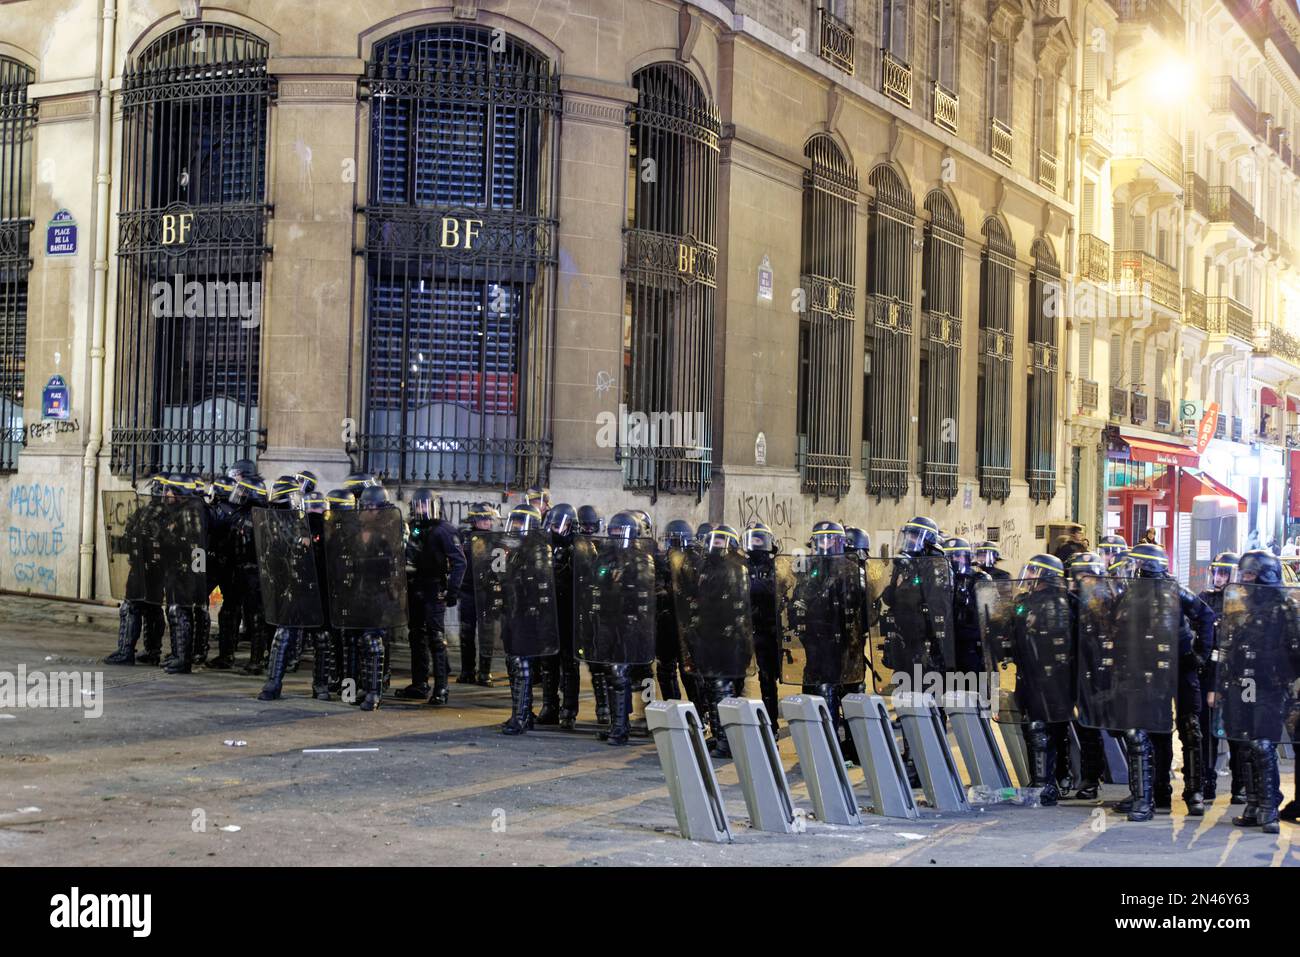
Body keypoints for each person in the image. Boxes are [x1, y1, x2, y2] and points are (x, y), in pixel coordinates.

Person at [1126, 541, 1215, 818]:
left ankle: (1194, 792)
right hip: (1151, 667)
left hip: (1181, 664)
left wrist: (1199, 655)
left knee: (1190, 727)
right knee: (1156, 727)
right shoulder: (1133, 593)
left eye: (1138, 564)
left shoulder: (1174, 590)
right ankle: (1159, 790)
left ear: (1147, 566)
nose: (1134, 569)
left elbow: (1206, 616)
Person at [1219, 550, 1300, 833]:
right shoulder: (1246, 605)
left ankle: (1269, 807)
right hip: (1247, 685)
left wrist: (1284, 680)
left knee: (1263, 744)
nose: (1244, 579)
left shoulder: (1284, 608)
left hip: (1271, 688)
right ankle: (1253, 803)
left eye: (1250, 574)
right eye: (1243, 574)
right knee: (1246, 742)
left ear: (1265, 575)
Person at [403, 488, 466, 705]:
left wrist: (452, 591)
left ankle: (441, 689)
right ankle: (419, 684)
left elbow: (460, 562)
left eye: (424, 504)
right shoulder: (412, 528)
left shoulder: (444, 530)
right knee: (416, 636)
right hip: (414, 588)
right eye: (417, 505)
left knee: (436, 639)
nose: (420, 508)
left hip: (433, 588)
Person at [1196, 552, 1247, 804]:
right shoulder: (1204, 599)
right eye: (1216, 572)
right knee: (1207, 734)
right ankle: (1208, 782)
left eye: (1224, 573)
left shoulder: (1242, 604)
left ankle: (1240, 785)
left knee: (1237, 733)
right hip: (1209, 674)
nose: (1218, 577)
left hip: (1236, 677)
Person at [104, 476, 168, 666]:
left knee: (131, 607)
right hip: (157, 570)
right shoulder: (168, 515)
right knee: (153, 608)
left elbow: (132, 536)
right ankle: (152, 651)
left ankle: (126, 650)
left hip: (143, 568)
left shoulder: (145, 514)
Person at [501, 505, 546, 734]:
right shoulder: (515, 549)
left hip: (528, 615)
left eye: (521, 522)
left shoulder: (538, 549)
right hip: (513, 611)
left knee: (521, 663)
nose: (516, 527)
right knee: (512, 662)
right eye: (515, 521)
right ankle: (521, 714)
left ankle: (521, 717)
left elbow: (538, 582)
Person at [538, 503, 580, 729]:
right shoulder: (544, 546)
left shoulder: (579, 547)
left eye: (558, 525)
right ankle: (549, 706)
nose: (554, 529)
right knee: (548, 661)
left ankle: (569, 710)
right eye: (552, 525)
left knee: (569, 662)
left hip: (568, 613)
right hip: (549, 610)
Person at [743, 520, 782, 728]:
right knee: (737, 675)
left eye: (760, 539)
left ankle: (771, 723)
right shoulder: (742, 565)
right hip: (745, 628)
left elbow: (774, 590)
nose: (756, 544)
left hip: (767, 630)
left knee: (767, 679)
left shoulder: (775, 566)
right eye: (753, 539)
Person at [456, 502, 499, 685]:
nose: (487, 522)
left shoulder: (497, 540)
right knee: (466, 632)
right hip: (467, 592)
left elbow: (501, 569)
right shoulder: (463, 537)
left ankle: (484, 673)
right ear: (474, 519)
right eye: (483, 519)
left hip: (486, 593)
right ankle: (467, 671)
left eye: (489, 519)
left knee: (486, 633)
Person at [944, 537, 990, 675]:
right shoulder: (942, 582)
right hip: (947, 644)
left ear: (967, 558)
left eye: (958, 556)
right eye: (949, 557)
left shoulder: (979, 580)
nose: (954, 560)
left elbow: (989, 617)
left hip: (971, 646)